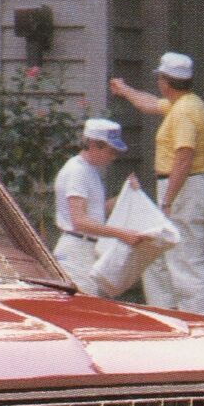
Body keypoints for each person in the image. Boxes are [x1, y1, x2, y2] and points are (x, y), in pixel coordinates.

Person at [109, 51, 204, 314]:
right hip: (180, 186)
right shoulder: (185, 104)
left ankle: (195, 321)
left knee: (185, 256)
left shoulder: (184, 113)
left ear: (166, 81)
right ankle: (167, 314)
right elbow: (150, 104)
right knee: (160, 255)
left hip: (184, 187)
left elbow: (184, 157)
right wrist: (125, 90)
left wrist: (168, 200)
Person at [52, 118, 145, 295]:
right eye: (111, 151)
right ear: (94, 144)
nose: (113, 157)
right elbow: (80, 221)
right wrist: (121, 233)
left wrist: (126, 194)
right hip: (76, 249)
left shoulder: (89, 170)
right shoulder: (77, 171)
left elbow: (95, 211)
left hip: (86, 248)